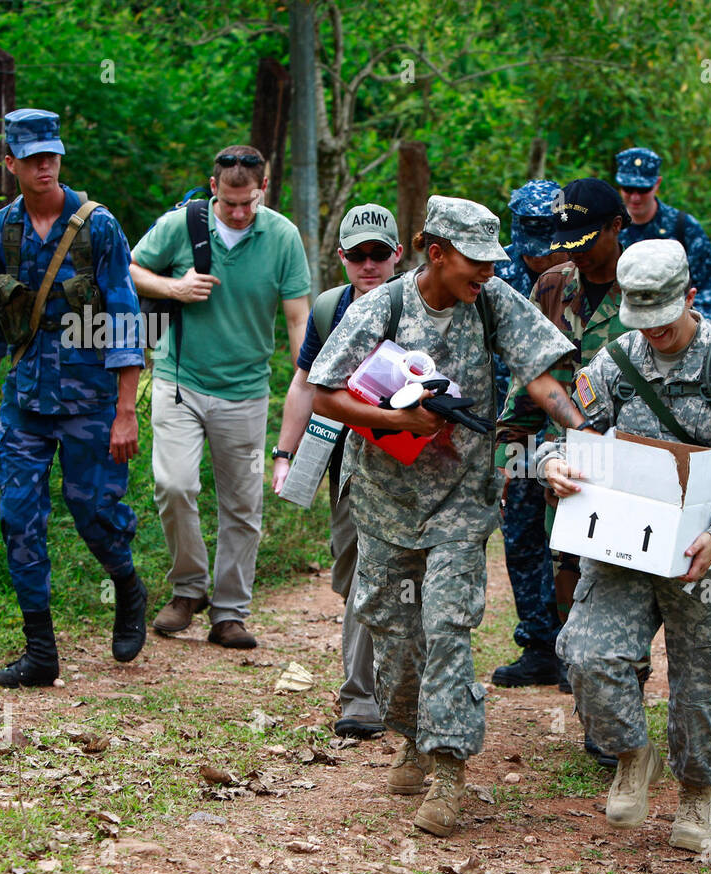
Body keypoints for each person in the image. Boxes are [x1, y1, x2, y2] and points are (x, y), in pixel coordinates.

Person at [308, 196, 583, 837]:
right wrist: (399, 420)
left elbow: (541, 375)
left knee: (450, 625)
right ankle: (410, 737)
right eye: (474, 262)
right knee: (393, 629)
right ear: (436, 254)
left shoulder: (493, 301)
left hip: (462, 499)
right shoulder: (383, 306)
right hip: (382, 499)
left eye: (492, 263)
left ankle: (449, 771)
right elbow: (324, 390)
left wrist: (583, 431)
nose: (485, 273)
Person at [537, 239, 711, 852]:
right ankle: (632, 754)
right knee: (588, 655)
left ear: (690, 298)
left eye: (665, 324)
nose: (655, 337)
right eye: (642, 324)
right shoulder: (617, 361)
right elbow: (571, 433)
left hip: (708, 551)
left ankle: (696, 794)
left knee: (703, 684)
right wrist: (554, 464)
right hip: (627, 541)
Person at [0, 109, 147, 687]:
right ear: (12, 163)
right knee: (19, 517)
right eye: (33, 157)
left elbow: (125, 321)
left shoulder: (98, 227)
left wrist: (127, 411)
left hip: (92, 400)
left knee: (95, 514)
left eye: (53, 155)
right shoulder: (1, 231)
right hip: (24, 402)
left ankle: (126, 582)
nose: (45, 166)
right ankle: (41, 653)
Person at [131, 145, 310, 648]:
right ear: (214, 188)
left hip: (246, 391)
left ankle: (230, 612)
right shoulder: (179, 224)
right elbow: (130, 270)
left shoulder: (282, 236)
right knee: (174, 485)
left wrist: (304, 384)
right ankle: (188, 588)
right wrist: (174, 287)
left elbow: (297, 317)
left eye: (248, 202)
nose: (238, 211)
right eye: (229, 202)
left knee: (241, 504)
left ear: (263, 190)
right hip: (178, 379)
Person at [495, 178, 634, 766]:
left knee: (608, 579)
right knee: (551, 559)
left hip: (626, 457)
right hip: (556, 451)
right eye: (566, 241)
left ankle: (608, 709)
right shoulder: (552, 283)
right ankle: (569, 679)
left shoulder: (645, 287)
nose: (573, 252)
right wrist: (510, 447)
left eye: (587, 241)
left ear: (616, 229)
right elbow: (533, 367)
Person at [271, 203, 402, 738]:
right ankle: (373, 683)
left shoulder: (417, 306)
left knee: (396, 575)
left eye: (378, 254)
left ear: (397, 254)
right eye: (356, 255)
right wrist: (284, 455)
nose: (367, 264)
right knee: (354, 573)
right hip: (345, 461)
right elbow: (304, 384)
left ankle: (365, 696)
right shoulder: (329, 309)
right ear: (342, 257)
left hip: (407, 459)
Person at [491, 180, 568, 689]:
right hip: (514, 425)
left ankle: (574, 646)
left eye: (548, 231)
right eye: (531, 231)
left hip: (569, 425)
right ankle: (539, 644)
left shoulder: (574, 273)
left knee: (571, 539)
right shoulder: (494, 274)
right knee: (520, 532)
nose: (539, 245)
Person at [616, 146, 711, 329]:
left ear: (657, 184)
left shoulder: (683, 227)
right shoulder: (610, 229)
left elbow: (710, 291)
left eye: (643, 189)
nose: (635, 197)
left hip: (673, 331)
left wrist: (706, 342)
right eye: (628, 189)